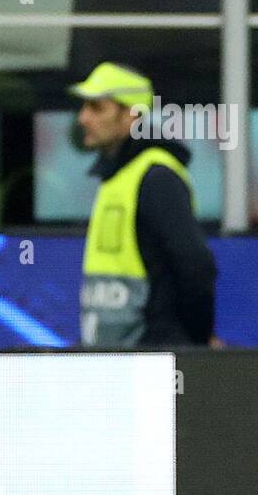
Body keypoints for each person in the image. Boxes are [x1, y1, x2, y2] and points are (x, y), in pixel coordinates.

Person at [71, 62, 217, 348]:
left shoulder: (157, 177)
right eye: (84, 107)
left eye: (97, 108)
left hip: (148, 358)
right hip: (115, 358)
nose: (83, 118)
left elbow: (196, 266)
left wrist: (192, 344)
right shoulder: (116, 176)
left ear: (131, 116)